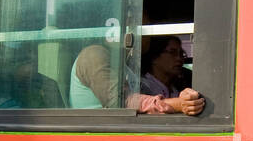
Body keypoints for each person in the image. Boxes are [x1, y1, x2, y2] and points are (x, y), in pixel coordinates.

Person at [69, 42, 203, 115]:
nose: (149, 35)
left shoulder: (125, 64)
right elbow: (121, 101)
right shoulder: (94, 55)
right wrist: (177, 104)